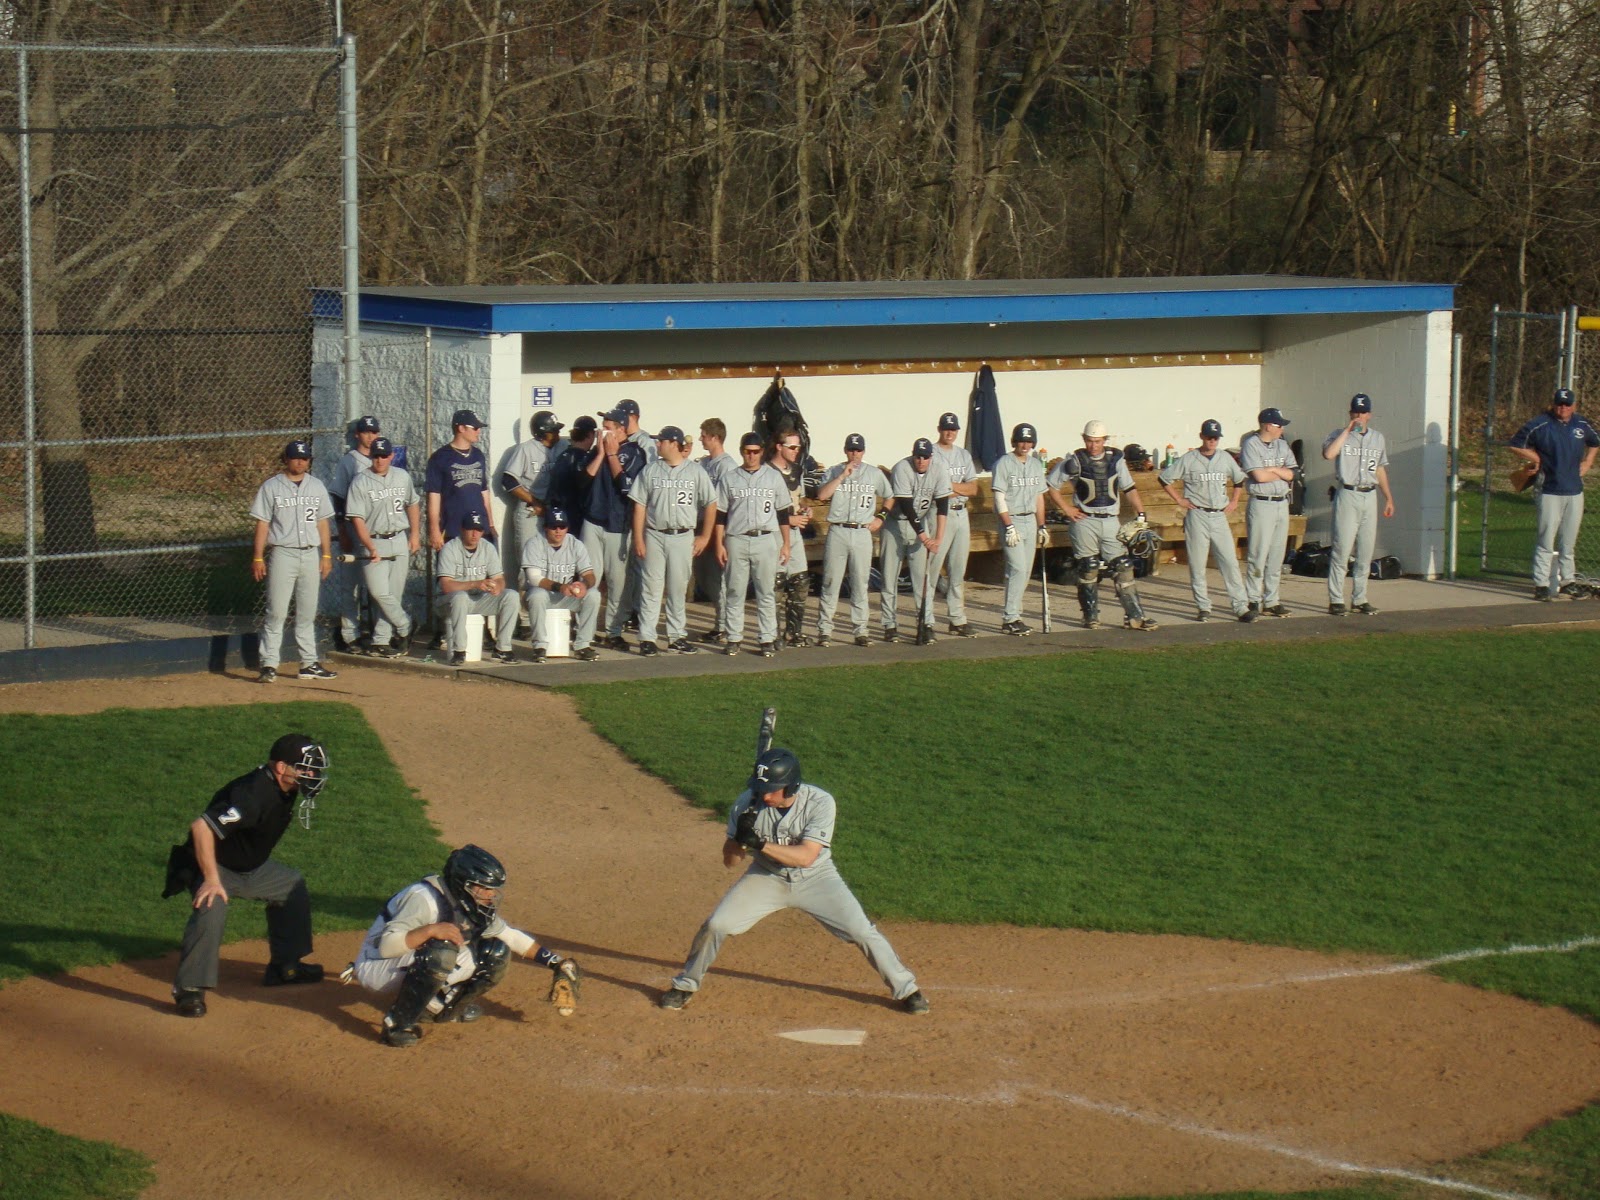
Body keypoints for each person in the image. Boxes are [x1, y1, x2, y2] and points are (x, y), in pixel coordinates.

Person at [658, 746, 928, 1016]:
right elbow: (730, 862)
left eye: (772, 790)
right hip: (766, 876)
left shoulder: (820, 802)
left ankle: (907, 989)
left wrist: (759, 843)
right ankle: (685, 984)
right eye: (761, 789)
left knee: (861, 931)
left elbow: (806, 857)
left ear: (791, 786)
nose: (765, 795)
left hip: (817, 878)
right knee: (717, 925)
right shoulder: (746, 803)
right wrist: (738, 839)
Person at [346, 844, 579, 1048]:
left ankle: (439, 1010)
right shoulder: (424, 898)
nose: (490, 895)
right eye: (484, 888)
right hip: (377, 967)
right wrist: (430, 930)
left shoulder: (470, 905)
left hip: (408, 961)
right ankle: (397, 1024)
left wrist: (555, 962)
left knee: (494, 952)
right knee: (442, 951)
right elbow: (387, 947)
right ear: (462, 884)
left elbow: (510, 936)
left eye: (492, 889)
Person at [167, 733, 330, 1018]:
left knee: (291, 886)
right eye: (305, 769)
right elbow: (201, 827)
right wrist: (211, 879)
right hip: (212, 866)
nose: (312, 775)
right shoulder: (251, 794)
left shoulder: (285, 787)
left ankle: (285, 968)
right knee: (211, 905)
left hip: (250, 868)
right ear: (281, 767)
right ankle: (189, 990)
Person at [1049, 420, 1157, 632]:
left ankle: (1135, 616)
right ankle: (1090, 616)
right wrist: (1067, 509)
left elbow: (1129, 488)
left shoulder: (1116, 460)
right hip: (1085, 519)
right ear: (1084, 439)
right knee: (1088, 566)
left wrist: (1141, 514)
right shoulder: (1074, 461)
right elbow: (1052, 486)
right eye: (1090, 441)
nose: (1093, 445)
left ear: (1104, 440)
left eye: (1097, 441)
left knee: (1123, 565)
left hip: (1109, 519)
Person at [248, 440, 337, 684]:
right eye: (296, 457)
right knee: (276, 612)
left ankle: (308, 663)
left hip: (310, 554)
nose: (300, 462)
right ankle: (269, 664)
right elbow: (263, 523)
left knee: (307, 612)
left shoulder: (316, 486)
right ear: (286, 459)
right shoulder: (271, 486)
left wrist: (326, 555)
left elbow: (322, 523)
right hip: (283, 553)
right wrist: (258, 556)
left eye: (304, 458)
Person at [629, 426, 717, 655]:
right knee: (651, 588)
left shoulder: (695, 471)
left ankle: (676, 635)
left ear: (674, 444)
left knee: (678, 588)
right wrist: (638, 538)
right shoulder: (650, 470)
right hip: (655, 533)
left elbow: (711, 503)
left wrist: (705, 536)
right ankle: (647, 637)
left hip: (683, 535)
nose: (658, 444)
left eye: (662, 441)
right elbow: (639, 506)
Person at [1159, 419, 1254, 624]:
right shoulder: (1189, 459)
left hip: (1219, 515)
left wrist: (1234, 501)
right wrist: (1179, 500)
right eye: (1209, 437)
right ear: (1201, 436)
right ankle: (1203, 606)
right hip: (1198, 514)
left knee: (1230, 562)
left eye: (1216, 438)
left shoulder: (1224, 458)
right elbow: (1165, 478)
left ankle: (1240, 606)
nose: (1212, 441)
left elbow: (1239, 479)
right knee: (1197, 563)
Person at [1509, 387, 1598, 601]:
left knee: (1568, 541)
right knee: (1546, 539)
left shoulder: (1581, 424)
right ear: (1554, 404)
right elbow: (1515, 444)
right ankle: (1541, 584)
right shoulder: (1541, 424)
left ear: (1574, 405)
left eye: (1567, 404)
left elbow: (1595, 442)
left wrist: (1588, 461)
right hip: (1549, 489)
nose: (1563, 408)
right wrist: (1536, 458)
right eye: (1559, 404)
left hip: (1574, 490)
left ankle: (1568, 582)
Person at [714, 432, 793, 658]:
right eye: (748, 451)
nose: (751, 456)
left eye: (756, 451)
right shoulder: (730, 478)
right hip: (737, 537)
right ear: (742, 452)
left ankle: (767, 638)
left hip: (765, 538)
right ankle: (733, 638)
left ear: (762, 452)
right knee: (734, 591)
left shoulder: (773, 477)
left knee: (765, 591)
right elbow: (720, 514)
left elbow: (783, 513)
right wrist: (719, 544)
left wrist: (786, 544)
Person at [344, 436, 421, 657]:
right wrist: (369, 546)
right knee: (379, 592)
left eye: (384, 456)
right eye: (376, 456)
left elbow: (412, 503)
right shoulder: (360, 481)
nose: (380, 460)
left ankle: (381, 639)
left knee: (393, 594)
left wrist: (415, 534)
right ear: (371, 456)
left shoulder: (402, 476)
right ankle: (405, 625)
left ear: (391, 456)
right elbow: (357, 518)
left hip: (398, 538)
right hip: (374, 539)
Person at [1322, 393, 1396, 616]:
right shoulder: (1338, 434)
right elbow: (1329, 454)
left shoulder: (1377, 438)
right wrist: (1348, 430)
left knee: (1365, 550)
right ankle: (1336, 599)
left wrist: (1388, 497)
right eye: (1355, 412)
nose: (1359, 416)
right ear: (1350, 413)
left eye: (1363, 412)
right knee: (1342, 548)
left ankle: (1360, 598)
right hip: (1348, 492)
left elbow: (1379, 469)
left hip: (1369, 494)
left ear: (1369, 414)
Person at [813, 433, 891, 647]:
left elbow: (890, 496)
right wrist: (841, 476)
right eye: (851, 450)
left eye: (858, 450)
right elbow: (822, 495)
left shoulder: (873, 473)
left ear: (863, 451)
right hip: (838, 529)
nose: (854, 454)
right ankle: (825, 630)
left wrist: (881, 517)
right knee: (831, 582)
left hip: (861, 531)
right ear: (845, 451)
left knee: (860, 583)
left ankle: (860, 630)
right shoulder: (834, 471)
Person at [580, 409, 648, 648]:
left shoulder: (634, 452)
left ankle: (614, 631)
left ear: (621, 429)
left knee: (618, 583)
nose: (603, 432)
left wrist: (611, 455)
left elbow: (627, 487)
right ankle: (585, 631)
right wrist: (601, 453)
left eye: (608, 428)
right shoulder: (596, 450)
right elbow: (583, 480)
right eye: (603, 427)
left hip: (618, 525)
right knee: (589, 576)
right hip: (593, 520)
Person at [880, 437, 951, 644]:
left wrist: (938, 538)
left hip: (921, 523)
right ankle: (890, 624)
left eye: (925, 457)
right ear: (913, 455)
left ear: (931, 457)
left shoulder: (939, 469)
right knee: (889, 576)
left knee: (922, 579)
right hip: (895, 524)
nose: (921, 461)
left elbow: (943, 505)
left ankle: (926, 623)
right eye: (918, 456)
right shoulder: (902, 468)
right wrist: (924, 537)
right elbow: (906, 506)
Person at [436, 512, 520, 665]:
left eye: (479, 530)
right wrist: (475, 583)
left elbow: (499, 578)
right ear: (462, 529)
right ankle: (459, 651)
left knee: (511, 596)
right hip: (448, 602)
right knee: (460, 597)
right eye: (471, 529)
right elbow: (446, 586)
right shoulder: (450, 548)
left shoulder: (487, 547)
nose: (475, 534)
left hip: (478, 599)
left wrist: (498, 587)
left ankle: (502, 649)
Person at [989, 422, 1049, 636]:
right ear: (1014, 442)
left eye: (1029, 441)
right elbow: (999, 497)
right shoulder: (1003, 463)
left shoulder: (1035, 465)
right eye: (1021, 441)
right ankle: (1010, 618)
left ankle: (1016, 615)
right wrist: (1008, 526)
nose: (1025, 445)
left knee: (1025, 572)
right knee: (1017, 568)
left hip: (1030, 520)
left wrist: (1042, 526)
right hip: (1012, 520)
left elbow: (1039, 497)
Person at [521, 506, 601, 662]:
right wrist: (560, 587)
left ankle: (582, 645)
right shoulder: (534, 543)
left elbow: (590, 575)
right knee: (537, 595)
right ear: (546, 527)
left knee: (593, 594)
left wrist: (584, 585)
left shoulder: (575, 544)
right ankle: (539, 647)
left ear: (567, 528)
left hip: (566, 595)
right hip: (542, 595)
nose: (558, 531)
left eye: (562, 527)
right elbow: (534, 578)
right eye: (553, 527)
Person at [1239, 408, 1298, 618]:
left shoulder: (1282, 444)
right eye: (1278, 425)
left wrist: (1272, 470)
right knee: (1258, 553)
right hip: (1262, 503)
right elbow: (1259, 476)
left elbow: (1293, 473)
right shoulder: (1251, 444)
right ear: (1267, 425)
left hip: (1281, 503)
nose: (1282, 429)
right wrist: (1279, 472)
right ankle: (1254, 599)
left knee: (1277, 554)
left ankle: (1272, 600)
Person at [330, 414, 381, 652]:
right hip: (353, 527)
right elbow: (339, 497)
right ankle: (350, 635)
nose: (371, 436)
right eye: (366, 432)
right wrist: (342, 530)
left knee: (378, 586)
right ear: (358, 434)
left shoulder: (383, 458)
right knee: (351, 585)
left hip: (377, 529)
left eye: (374, 432)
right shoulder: (349, 461)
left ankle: (378, 633)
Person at [929, 412, 980, 637]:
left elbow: (973, 488)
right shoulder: (931, 453)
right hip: (939, 513)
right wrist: (956, 487)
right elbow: (934, 489)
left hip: (961, 513)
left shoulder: (963, 454)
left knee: (958, 570)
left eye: (953, 429)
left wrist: (949, 486)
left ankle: (957, 619)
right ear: (939, 429)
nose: (949, 433)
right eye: (946, 429)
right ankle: (926, 619)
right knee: (931, 569)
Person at [499, 410, 567, 577]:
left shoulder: (563, 446)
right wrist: (534, 501)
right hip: (530, 510)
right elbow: (508, 480)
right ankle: (525, 593)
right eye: (553, 431)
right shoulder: (525, 449)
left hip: (553, 509)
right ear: (542, 433)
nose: (558, 434)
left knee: (553, 561)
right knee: (528, 561)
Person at [768, 427, 816, 647]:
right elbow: (764, 509)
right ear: (779, 447)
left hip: (795, 533)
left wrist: (806, 509)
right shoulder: (767, 472)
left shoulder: (797, 470)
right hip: (776, 533)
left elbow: (801, 498)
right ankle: (773, 633)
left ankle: (793, 632)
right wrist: (789, 519)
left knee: (800, 581)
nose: (796, 451)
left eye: (799, 447)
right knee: (776, 584)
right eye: (792, 447)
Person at [695, 418, 740, 645]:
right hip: (701, 525)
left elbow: (727, 502)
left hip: (718, 527)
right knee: (703, 577)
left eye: (704, 435)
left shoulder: (726, 466)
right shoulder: (704, 463)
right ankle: (719, 623)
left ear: (715, 437)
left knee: (717, 578)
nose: (700, 439)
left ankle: (724, 625)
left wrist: (720, 535)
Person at [426, 409, 496, 553]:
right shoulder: (440, 458)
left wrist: (490, 524)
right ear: (461, 428)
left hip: (480, 527)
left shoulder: (478, 455)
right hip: (454, 528)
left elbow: (484, 491)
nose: (478, 432)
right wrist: (434, 530)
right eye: (475, 428)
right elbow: (434, 496)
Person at [545, 415, 598, 538]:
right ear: (590, 435)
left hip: (558, 513)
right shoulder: (582, 458)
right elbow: (583, 483)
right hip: (573, 515)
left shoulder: (563, 455)